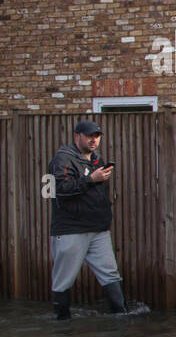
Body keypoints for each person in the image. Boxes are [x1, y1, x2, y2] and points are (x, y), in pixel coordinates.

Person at [48, 120, 127, 318]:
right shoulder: (63, 159)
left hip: (98, 229)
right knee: (63, 279)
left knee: (110, 274)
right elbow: (60, 190)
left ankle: (121, 316)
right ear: (77, 136)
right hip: (71, 229)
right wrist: (91, 179)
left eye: (97, 136)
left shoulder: (97, 161)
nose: (94, 140)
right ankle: (61, 323)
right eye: (89, 135)